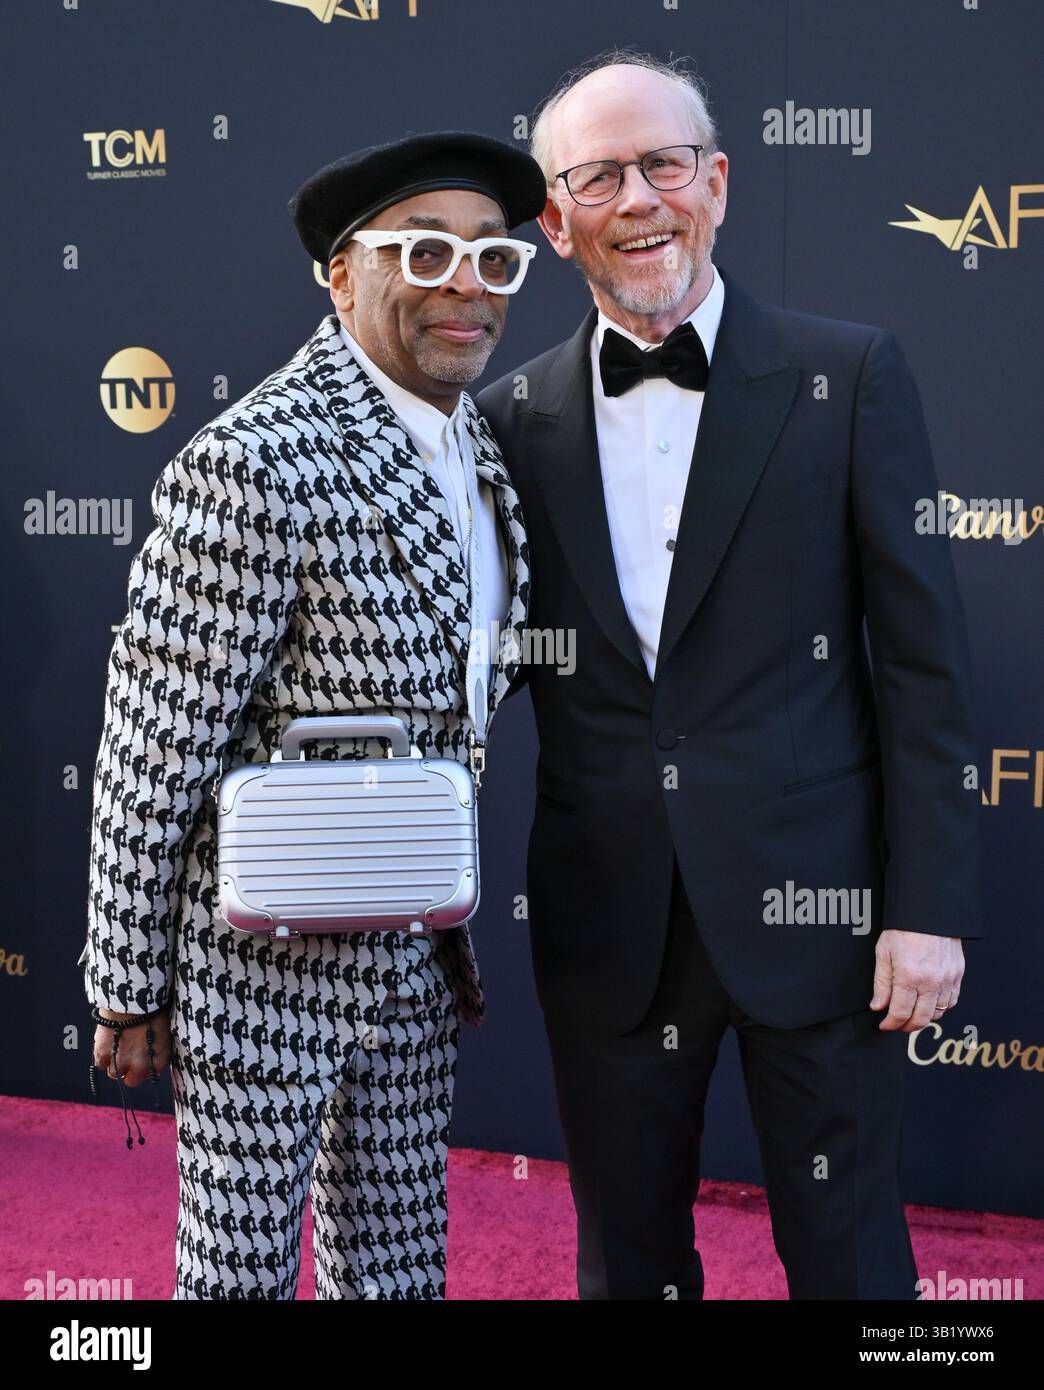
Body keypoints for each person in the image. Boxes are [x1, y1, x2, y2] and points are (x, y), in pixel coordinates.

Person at [477, 51, 984, 1300]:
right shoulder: (505, 421)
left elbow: (923, 666)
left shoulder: (848, 375)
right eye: (598, 176)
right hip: (608, 919)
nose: (639, 199)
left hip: (824, 923)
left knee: (851, 1259)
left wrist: (926, 911)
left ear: (717, 181)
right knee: (629, 1260)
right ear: (554, 220)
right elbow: (471, 666)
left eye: (664, 164)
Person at [80, 130, 543, 1299]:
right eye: (427, 251)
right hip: (259, 968)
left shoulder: (478, 446)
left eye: (495, 261)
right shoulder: (256, 459)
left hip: (415, 955)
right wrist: (126, 981)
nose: (466, 287)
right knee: (236, 1276)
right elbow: (153, 745)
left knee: (395, 1271)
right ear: (344, 275)